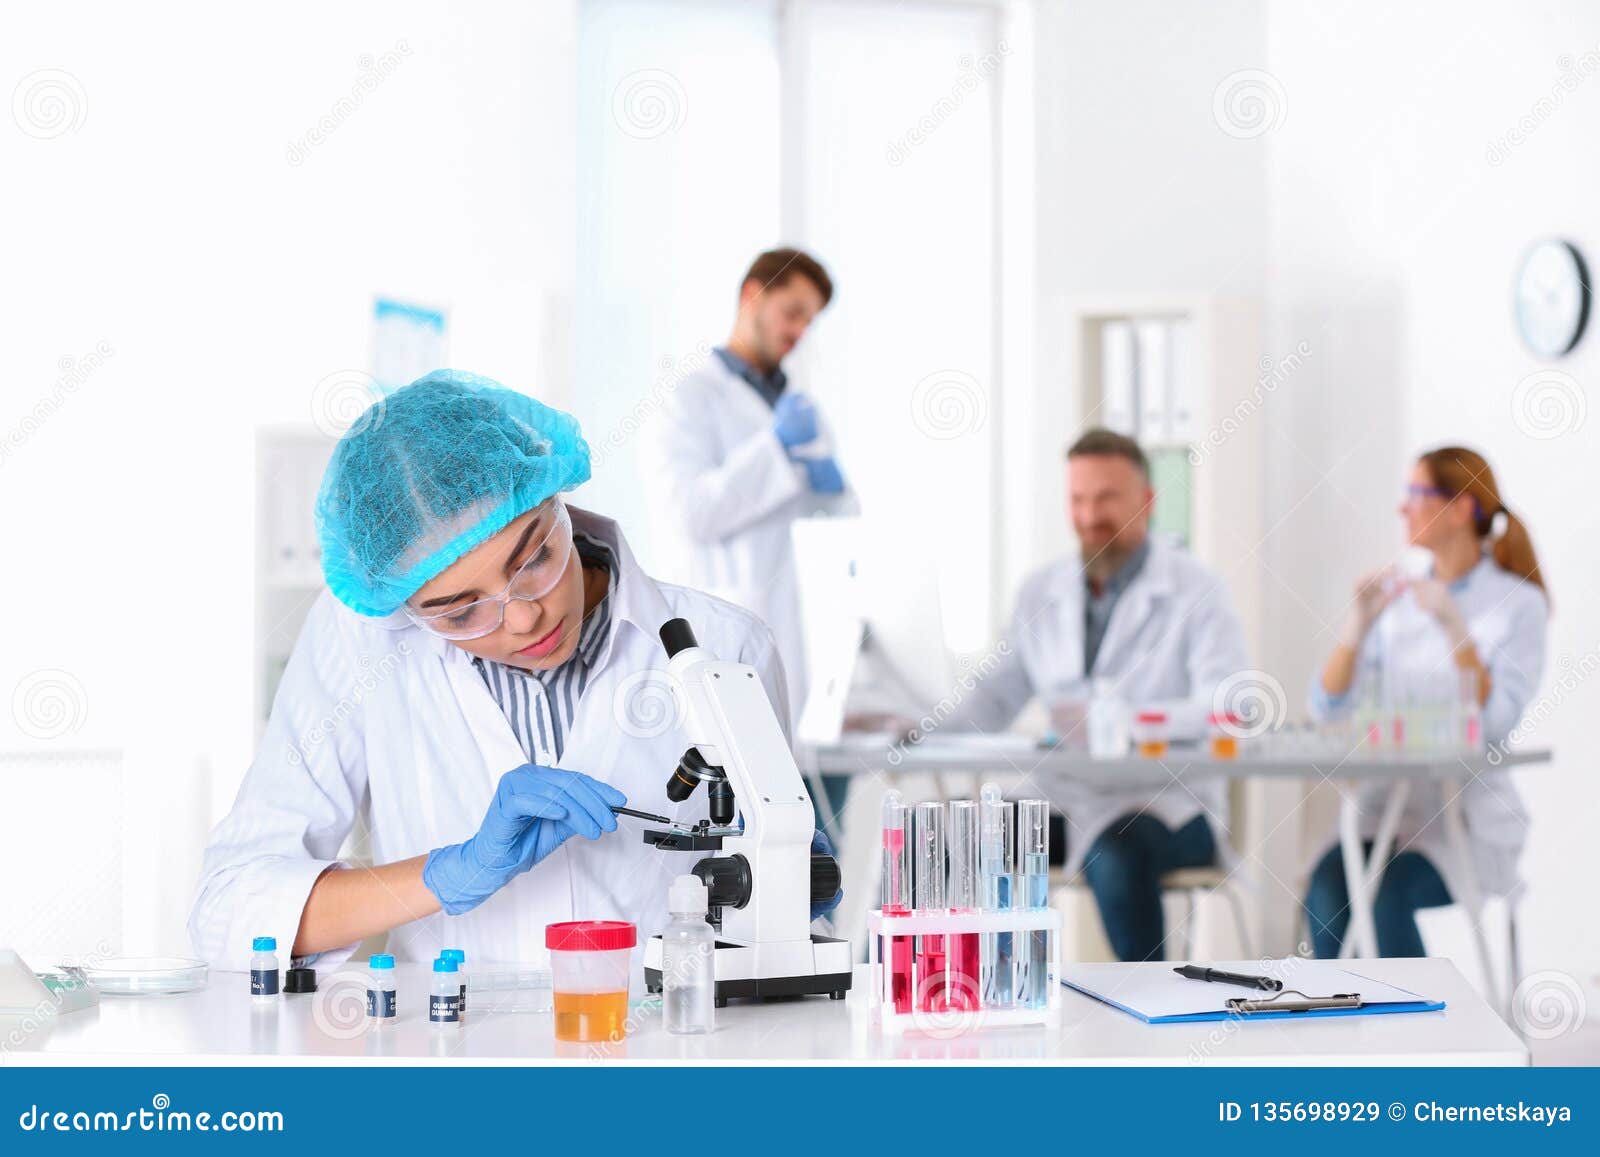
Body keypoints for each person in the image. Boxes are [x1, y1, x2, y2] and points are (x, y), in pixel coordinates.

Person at [189, 371, 839, 970]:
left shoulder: (724, 648)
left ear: (557, 496)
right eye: (460, 610)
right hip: (458, 1059)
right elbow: (226, 910)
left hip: (669, 1053)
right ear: (406, 610)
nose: (523, 619)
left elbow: (776, 933)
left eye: (532, 559)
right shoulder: (364, 644)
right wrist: (447, 872)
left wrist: (783, 885)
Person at [940, 428, 1249, 962]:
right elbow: (994, 699)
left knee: (1115, 854)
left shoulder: (1198, 591)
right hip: (1067, 798)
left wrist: (1121, 721)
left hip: (1169, 803)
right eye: (1078, 499)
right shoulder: (1042, 590)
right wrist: (913, 727)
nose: (1090, 515)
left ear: (1148, 501)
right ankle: (956, 993)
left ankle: (1155, 1011)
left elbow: (1225, 708)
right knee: (952, 835)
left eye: (1107, 497)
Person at [1302, 446, 1548, 958]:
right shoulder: (1398, 598)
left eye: (1416, 495)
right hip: (1381, 812)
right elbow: (1326, 711)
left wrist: (1456, 630)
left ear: (1460, 508)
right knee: (1325, 891)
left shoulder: (1518, 603)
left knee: (1384, 897)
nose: (1402, 509)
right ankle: (1347, 1032)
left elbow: (1494, 722)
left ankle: (1425, 1033)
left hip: (1466, 823)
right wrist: (1358, 626)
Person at [642, 247, 856, 729]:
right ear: (752, 295)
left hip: (810, 645)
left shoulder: (802, 410)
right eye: (793, 313)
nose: (800, 332)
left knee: (812, 786)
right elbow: (690, 512)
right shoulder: (687, 395)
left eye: (810, 322)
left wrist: (836, 496)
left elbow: (841, 536)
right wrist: (774, 450)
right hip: (730, 637)